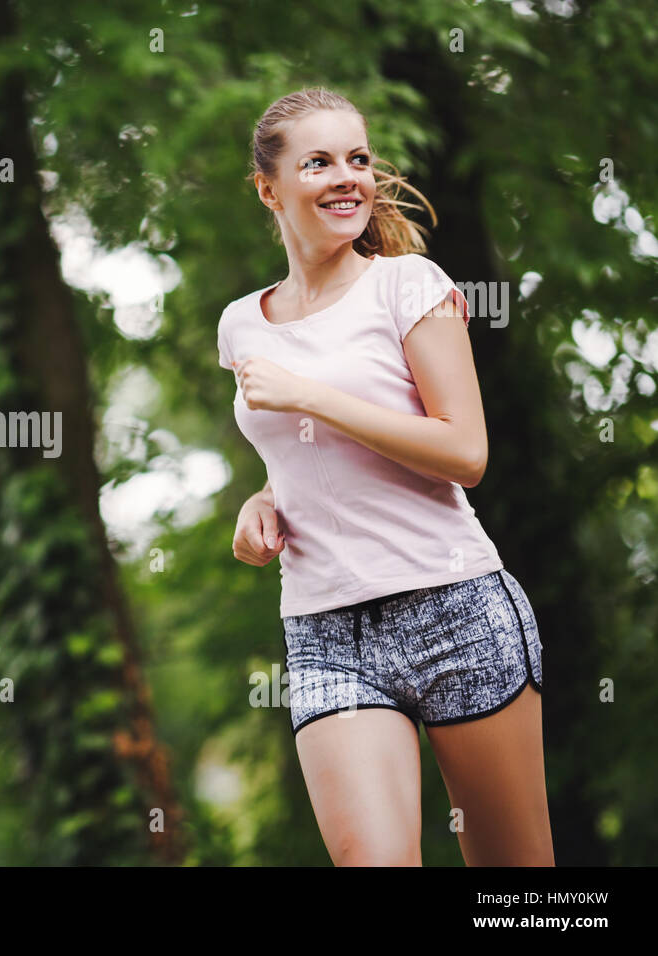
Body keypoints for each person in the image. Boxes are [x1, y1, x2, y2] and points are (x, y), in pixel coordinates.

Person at [218, 88, 553, 866]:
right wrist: (261, 502)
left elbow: (464, 451)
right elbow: (302, 457)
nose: (348, 178)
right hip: (326, 630)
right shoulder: (242, 323)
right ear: (269, 189)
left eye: (359, 159)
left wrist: (313, 395)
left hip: (455, 609)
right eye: (320, 162)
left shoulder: (408, 285)